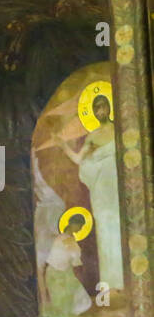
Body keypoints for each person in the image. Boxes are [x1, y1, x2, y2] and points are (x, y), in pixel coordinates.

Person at [62, 92, 123, 291]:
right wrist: (63, 145)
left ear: (109, 108)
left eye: (103, 106)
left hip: (120, 184)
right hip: (102, 188)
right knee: (106, 230)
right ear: (94, 112)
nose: (100, 111)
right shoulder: (93, 135)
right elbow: (79, 160)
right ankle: (113, 282)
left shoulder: (120, 129)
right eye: (96, 108)